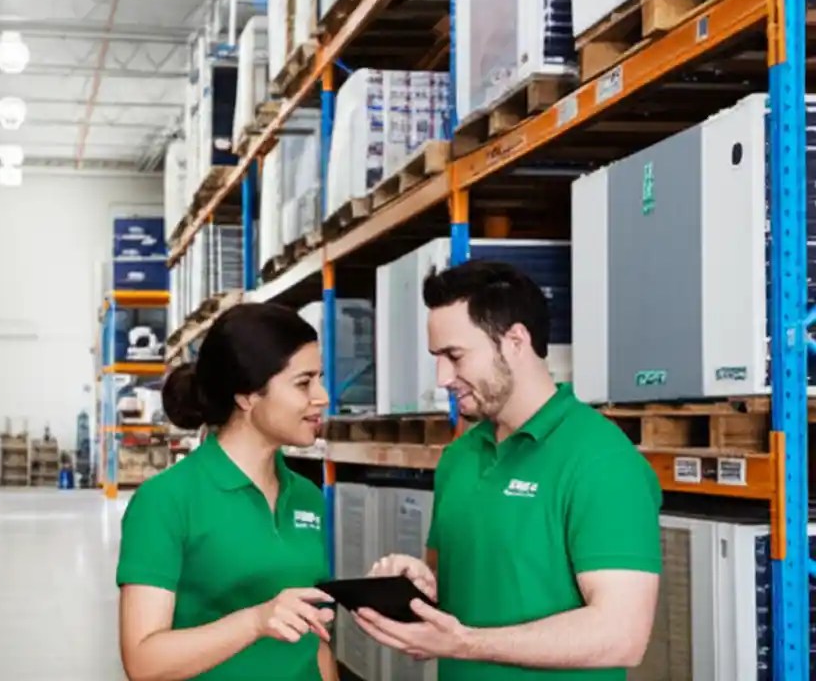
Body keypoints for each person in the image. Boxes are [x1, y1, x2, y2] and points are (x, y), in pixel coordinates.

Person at [357, 259, 662, 680]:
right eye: (437, 357)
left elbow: (621, 634)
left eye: (454, 355)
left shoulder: (602, 461)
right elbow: (461, 593)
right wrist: (419, 588)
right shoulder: (460, 457)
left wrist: (466, 643)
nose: (443, 377)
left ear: (515, 341)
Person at [116, 302, 338, 681]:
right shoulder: (166, 501)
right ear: (247, 396)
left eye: (320, 379)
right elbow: (143, 661)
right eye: (304, 383)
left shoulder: (306, 496)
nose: (323, 396)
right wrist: (255, 621)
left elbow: (312, 638)